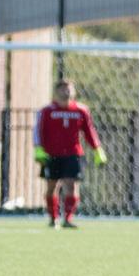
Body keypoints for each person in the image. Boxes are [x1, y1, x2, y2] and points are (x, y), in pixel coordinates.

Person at [34, 80, 106, 229]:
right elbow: (39, 131)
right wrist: (38, 149)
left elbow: (89, 131)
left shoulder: (81, 110)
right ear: (56, 92)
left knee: (71, 185)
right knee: (52, 186)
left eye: (69, 89)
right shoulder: (47, 111)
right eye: (62, 89)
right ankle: (53, 218)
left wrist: (97, 149)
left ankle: (67, 219)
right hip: (52, 154)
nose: (66, 92)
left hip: (73, 154)